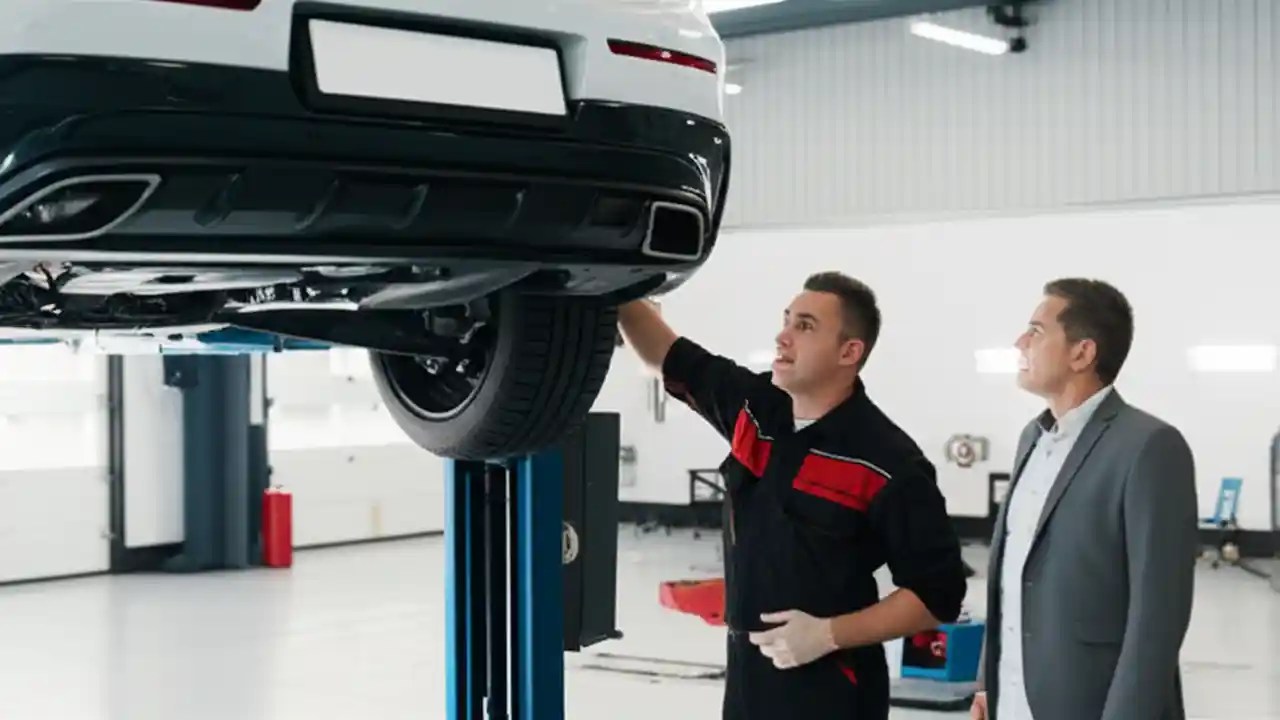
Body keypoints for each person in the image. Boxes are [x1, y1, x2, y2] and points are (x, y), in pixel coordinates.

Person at [618, 271, 968, 720]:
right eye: (786, 321)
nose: (783, 337)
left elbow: (937, 596)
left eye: (804, 326)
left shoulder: (886, 462)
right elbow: (664, 355)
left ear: (849, 351)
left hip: (831, 689)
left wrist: (828, 634)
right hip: (748, 680)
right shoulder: (755, 410)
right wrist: (615, 289)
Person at [971, 278, 1198, 720]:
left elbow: (1159, 616)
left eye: (1036, 331)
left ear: (1082, 353)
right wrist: (987, 685)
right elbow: (1011, 579)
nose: (1020, 342)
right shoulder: (1031, 440)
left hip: (1090, 704)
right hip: (1013, 701)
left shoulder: (1149, 446)